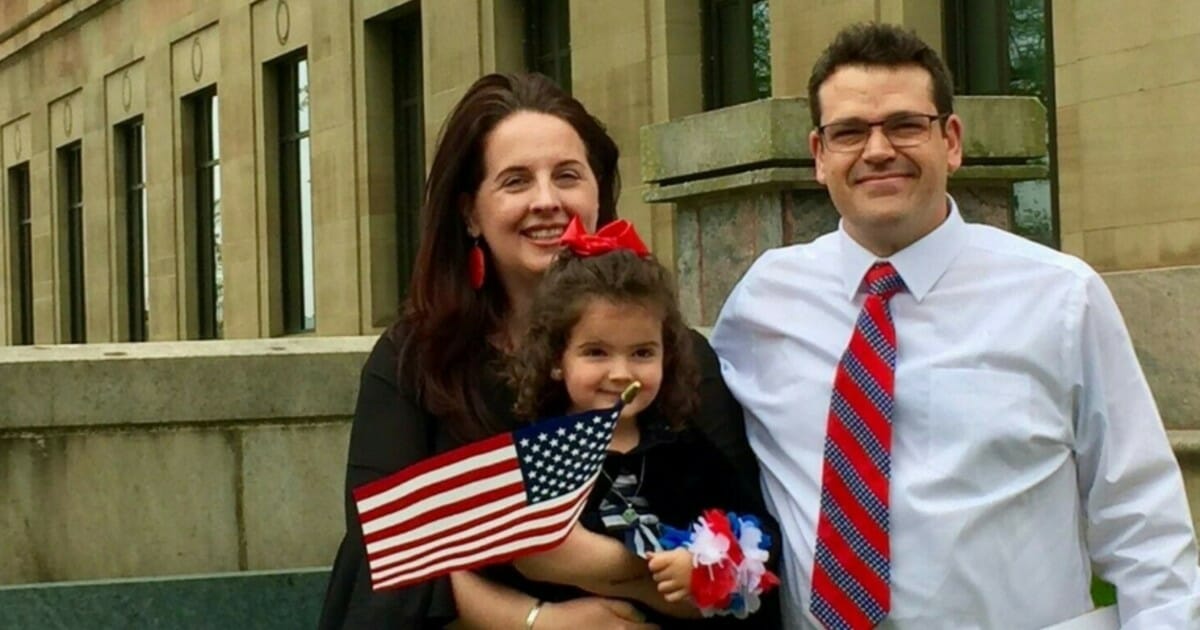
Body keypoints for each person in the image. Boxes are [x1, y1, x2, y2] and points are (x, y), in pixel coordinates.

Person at [710, 22, 1200, 630]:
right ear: (819, 155)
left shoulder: (1060, 298)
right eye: (850, 132)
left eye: (906, 125)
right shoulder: (763, 303)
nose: (878, 149)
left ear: (952, 141)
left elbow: (1144, 522)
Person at [318, 72, 768, 629]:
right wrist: (537, 622)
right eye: (515, 181)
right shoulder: (418, 357)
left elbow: (748, 556)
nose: (547, 201)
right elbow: (381, 547)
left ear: (599, 193)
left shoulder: (675, 355)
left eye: (567, 176)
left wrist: (599, 567)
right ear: (469, 213)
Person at [503, 217, 782, 628]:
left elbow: (761, 537)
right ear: (556, 360)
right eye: (596, 352)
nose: (621, 373)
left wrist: (704, 565)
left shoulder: (685, 450)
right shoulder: (534, 455)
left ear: (666, 356)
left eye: (642, 353)